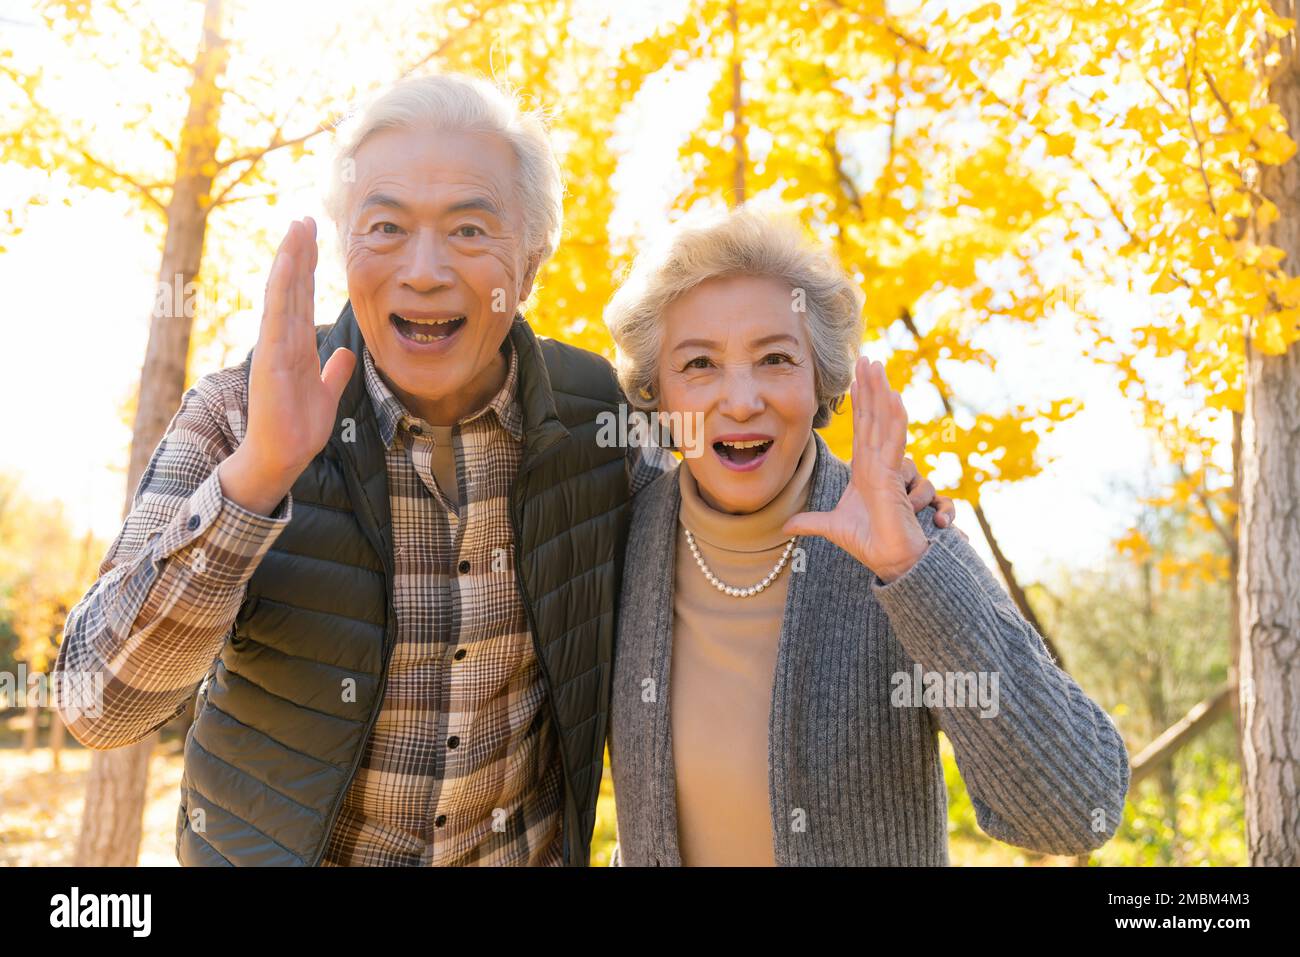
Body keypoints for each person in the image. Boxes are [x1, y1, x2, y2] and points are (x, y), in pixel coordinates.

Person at [52, 71, 957, 866]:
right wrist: (257, 477)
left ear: (529, 265)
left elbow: (734, 464)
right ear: (346, 248)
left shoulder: (602, 420)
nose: (425, 270)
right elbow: (99, 706)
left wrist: (879, 495)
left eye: (469, 229)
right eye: (386, 226)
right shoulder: (239, 411)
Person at [604, 206, 1130, 865]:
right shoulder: (619, 532)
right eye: (700, 363)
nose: (740, 401)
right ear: (656, 393)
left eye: (775, 358)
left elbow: (1079, 810)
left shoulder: (904, 537)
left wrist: (913, 572)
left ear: (821, 381)